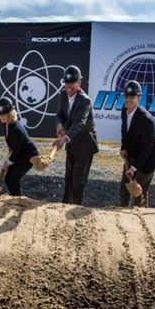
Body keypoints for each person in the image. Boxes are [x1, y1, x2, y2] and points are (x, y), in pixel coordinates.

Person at [53, 65, 98, 205]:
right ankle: (65, 205)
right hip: (72, 143)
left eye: (73, 83)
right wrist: (59, 125)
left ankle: (77, 207)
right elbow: (59, 114)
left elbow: (79, 123)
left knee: (78, 181)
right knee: (68, 178)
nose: (69, 86)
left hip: (85, 144)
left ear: (79, 83)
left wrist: (65, 138)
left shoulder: (85, 101)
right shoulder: (63, 94)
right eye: (67, 83)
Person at [119, 80, 155, 207]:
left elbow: (147, 149)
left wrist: (134, 168)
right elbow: (124, 131)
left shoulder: (147, 119)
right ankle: (122, 215)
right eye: (126, 96)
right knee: (124, 188)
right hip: (133, 154)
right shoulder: (124, 110)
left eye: (132, 97)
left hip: (149, 159)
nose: (128, 100)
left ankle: (140, 217)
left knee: (138, 190)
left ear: (139, 97)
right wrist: (124, 147)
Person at [0, 97, 38, 196]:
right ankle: (14, 197)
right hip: (18, 155)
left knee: (14, 178)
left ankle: (17, 200)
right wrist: (7, 161)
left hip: (29, 156)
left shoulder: (16, 128)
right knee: (8, 178)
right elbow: (13, 147)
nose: (1, 117)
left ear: (10, 113)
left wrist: (8, 163)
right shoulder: (5, 124)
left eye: (4, 115)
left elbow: (17, 149)